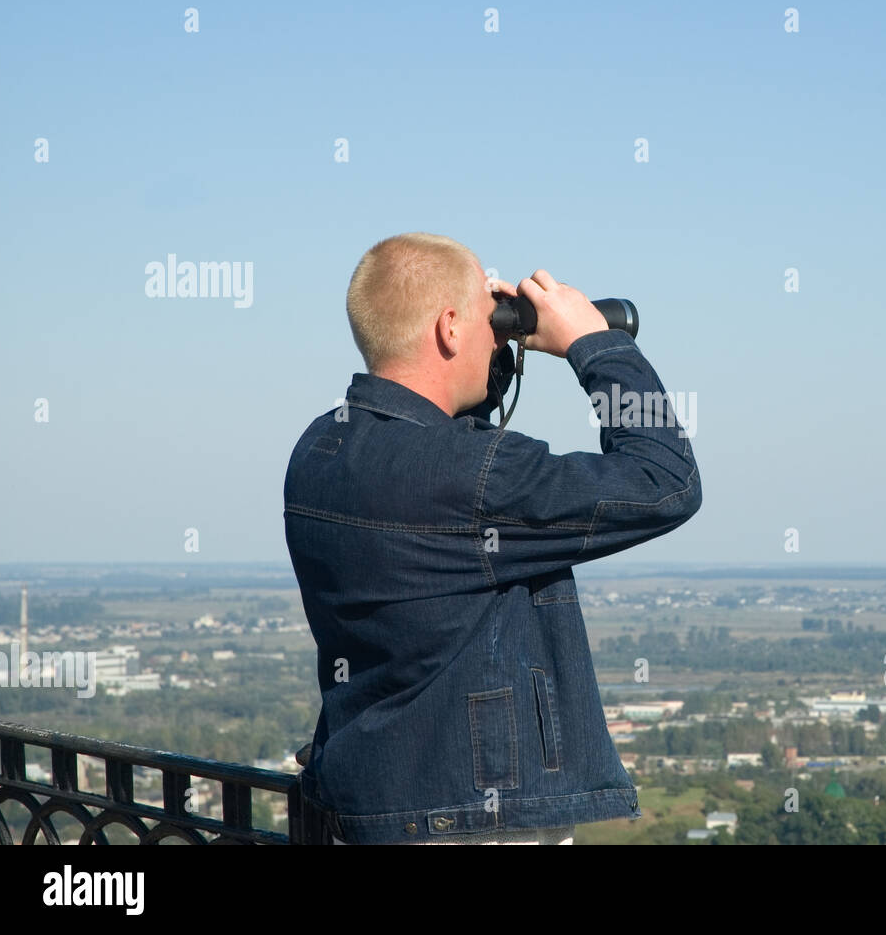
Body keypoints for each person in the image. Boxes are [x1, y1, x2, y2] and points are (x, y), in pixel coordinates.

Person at [283, 232, 702, 844]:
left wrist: (495, 351)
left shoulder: (319, 450)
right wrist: (595, 343)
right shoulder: (470, 477)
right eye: (486, 320)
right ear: (450, 328)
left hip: (368, 806)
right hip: (474, 827)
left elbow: (437, 456)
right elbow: (665, 481)